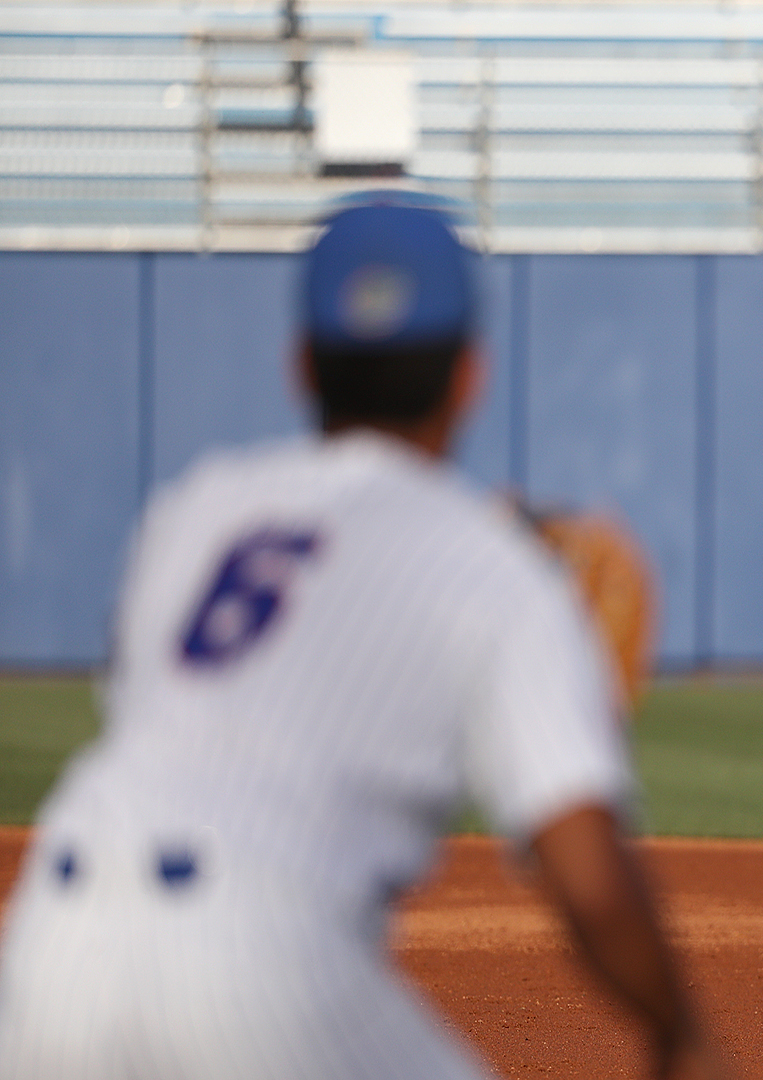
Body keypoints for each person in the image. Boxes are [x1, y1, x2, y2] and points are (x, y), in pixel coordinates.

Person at [0, 198, 721, 1080]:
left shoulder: (195, 512)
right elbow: (592, 884)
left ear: (300, 364)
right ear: (470, 376)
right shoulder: (492, 571)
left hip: (46, 953)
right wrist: (680, 1031)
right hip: (261, 968)